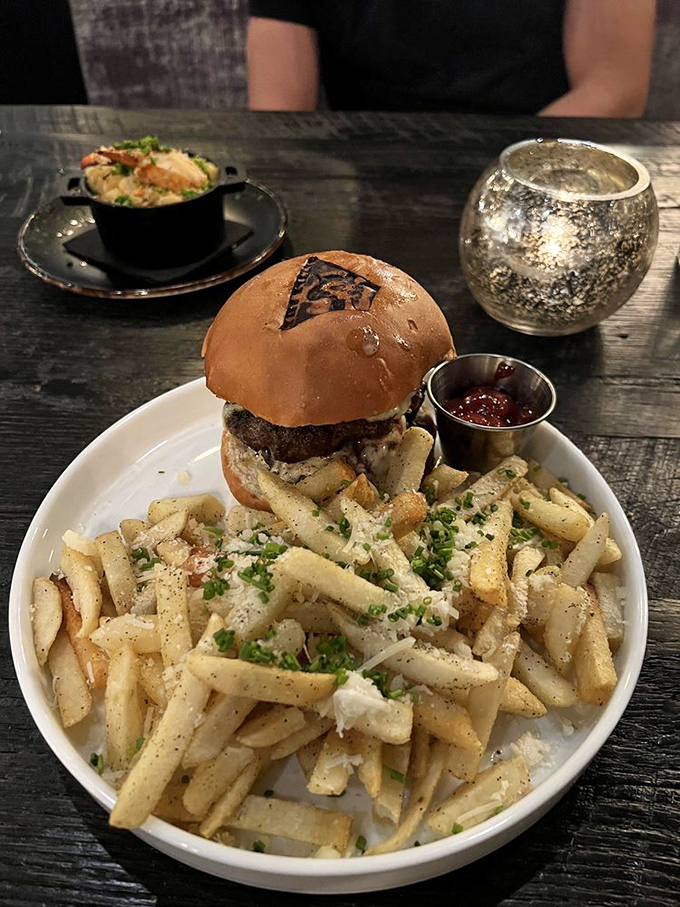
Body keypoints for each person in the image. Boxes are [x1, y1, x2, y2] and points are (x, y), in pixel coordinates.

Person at [246, 0, 656, 117]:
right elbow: (277, 114)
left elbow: (614, 89)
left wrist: (504, 180)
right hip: (369, 176)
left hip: (542, 165)